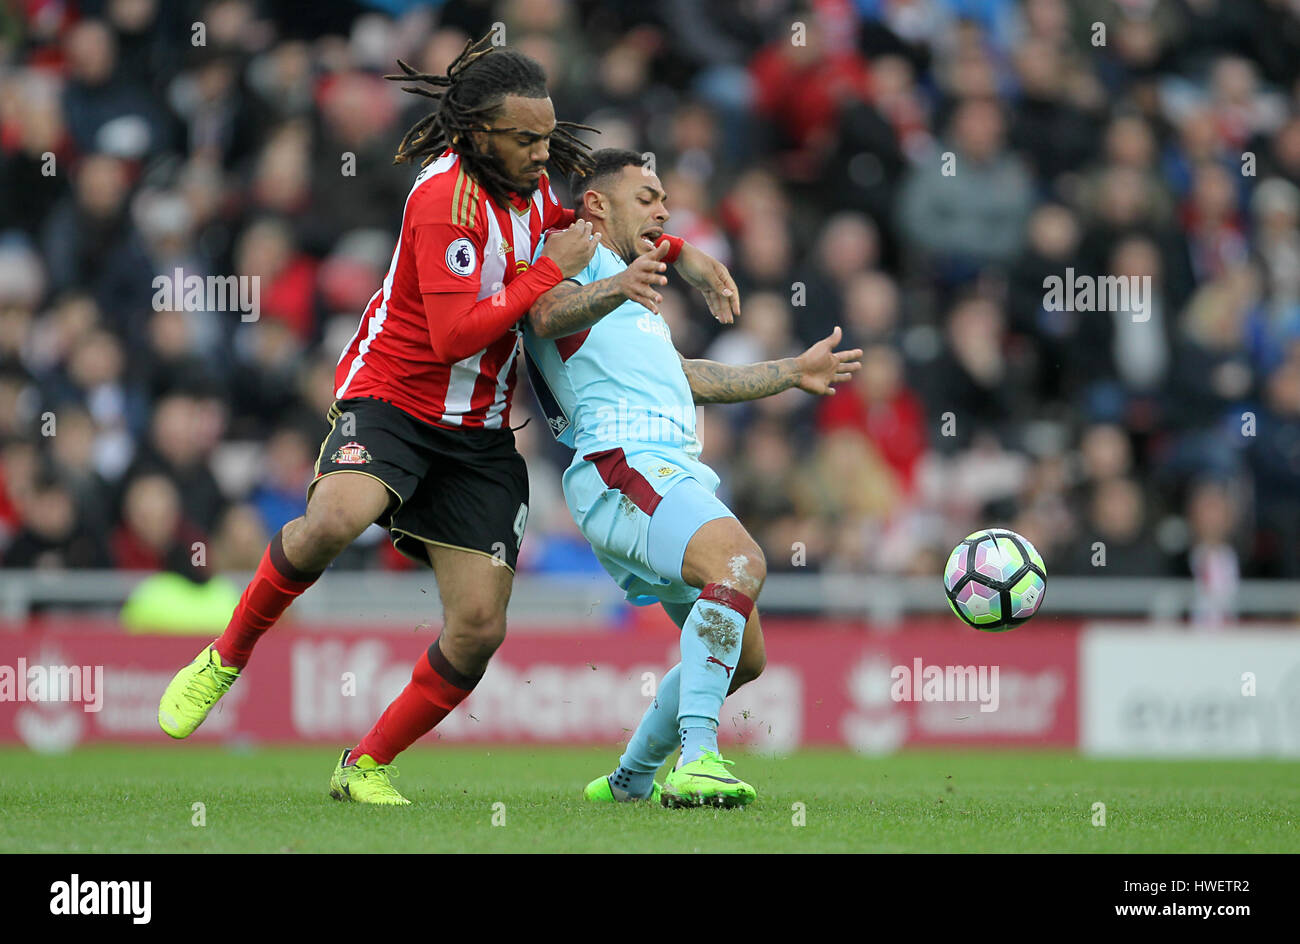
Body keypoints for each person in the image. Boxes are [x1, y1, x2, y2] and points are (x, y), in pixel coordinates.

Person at [156, 37, 738, 806]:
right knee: (334, 518)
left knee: (478, 629)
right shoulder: (442, 200)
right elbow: (456, 335)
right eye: (526, 139)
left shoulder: (536, 195)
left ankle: (362, 763)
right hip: (395, 399)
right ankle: (227, 655)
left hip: (481, 432)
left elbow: (604, 224)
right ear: (477, 135)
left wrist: (686, 254)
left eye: (547, 136)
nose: (542, 154)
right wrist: (549, 271)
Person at [524, 149, 861, 806]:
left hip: (668, 470)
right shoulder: (564, 253)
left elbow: (686, 378)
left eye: (666, 202)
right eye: (648, 196)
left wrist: (790, 370)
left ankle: (630, 778)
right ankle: (699, 759)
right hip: (619, 463)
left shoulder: (633, 291)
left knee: (744, 655)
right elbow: (543, 315)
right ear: (595, 204)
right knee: (739, 561)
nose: (663, 210)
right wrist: (678, 255)